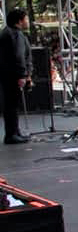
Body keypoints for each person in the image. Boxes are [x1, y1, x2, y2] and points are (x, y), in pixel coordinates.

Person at [0, 8, 32, 144]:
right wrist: (22, 75)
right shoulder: (15, 35)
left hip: (6, 74)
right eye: (26, 19)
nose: (28, 22)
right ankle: (12, 134)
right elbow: (19, 56)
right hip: (13, 75)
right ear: (19, 21)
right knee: (12, 105)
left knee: (10, 105)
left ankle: (14, 131)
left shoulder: (6, 32)